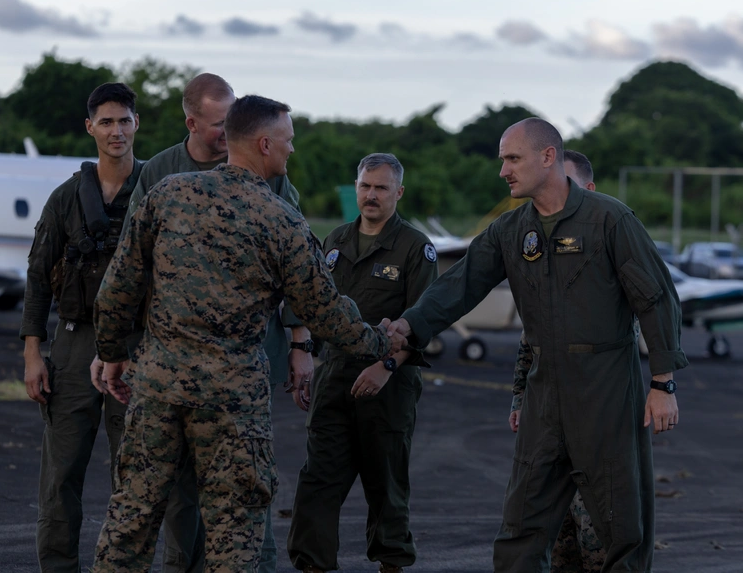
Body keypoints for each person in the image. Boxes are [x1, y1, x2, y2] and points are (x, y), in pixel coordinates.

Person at [91, 95, 405, 572]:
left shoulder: (168, 194)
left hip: (157, 386)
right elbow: (325, 312)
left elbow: (117, 288)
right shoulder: (281, 219)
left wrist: (113, 352)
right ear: (264, 145)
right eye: (288, 140)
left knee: (131, 518)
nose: (292, 149)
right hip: (232, 401)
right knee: (234, 531)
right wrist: (381, 341)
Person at [387, 118, 687, 572]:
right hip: (543, 394)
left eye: (513, 158)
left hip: (605, 393)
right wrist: (408, 328)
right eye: (502, 160)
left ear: (548, 157)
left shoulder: (609, 219)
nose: (503, 171)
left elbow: (656, 298)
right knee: (520, 528)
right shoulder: (510, 230)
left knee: (621, 529)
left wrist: (662, 383)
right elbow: (459, 285)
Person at [100, 72, 312, 573]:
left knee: (242, 497)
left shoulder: (271, 175)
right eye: (218, 123)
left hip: (242, 366)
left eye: (232, 120)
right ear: (191, 123)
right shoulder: (161, 175)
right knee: (170, 497)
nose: (228, 131)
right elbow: (130, 268)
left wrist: (300, 343)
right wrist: (118, 350)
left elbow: (299, 270)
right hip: (171, 365)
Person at [288, 153, 438, 573]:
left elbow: (424, 320)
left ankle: (391, 562)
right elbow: (315, 307)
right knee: (319, 477)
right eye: (365, 186)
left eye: (381, 188)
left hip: (389, 383)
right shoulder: (335, 241)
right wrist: (306, 356)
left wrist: (386, 368)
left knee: (385, 481)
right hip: (334, 377)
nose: (371, 195)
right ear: (356, 187)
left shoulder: (415, 248)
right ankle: (313, 564)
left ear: (398, 192)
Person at [19, 82, 143, 572]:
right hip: (74, 342)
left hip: (135, 344)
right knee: (60, 475)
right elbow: (37, 276)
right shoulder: (66, 198)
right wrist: (33, 354)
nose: (117, 131)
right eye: (106, 122)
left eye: (124, 120)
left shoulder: (156, 190)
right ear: (90, 127)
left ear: (137, 124)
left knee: (134, 474)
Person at [510, 149, 605, 573]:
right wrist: (519, 398)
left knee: (598, 535)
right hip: (548, 418)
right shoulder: (541, 251)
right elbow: (530, 340)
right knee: (558, 539)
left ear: (589, 190)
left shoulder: (610, 242)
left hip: (597, 420)